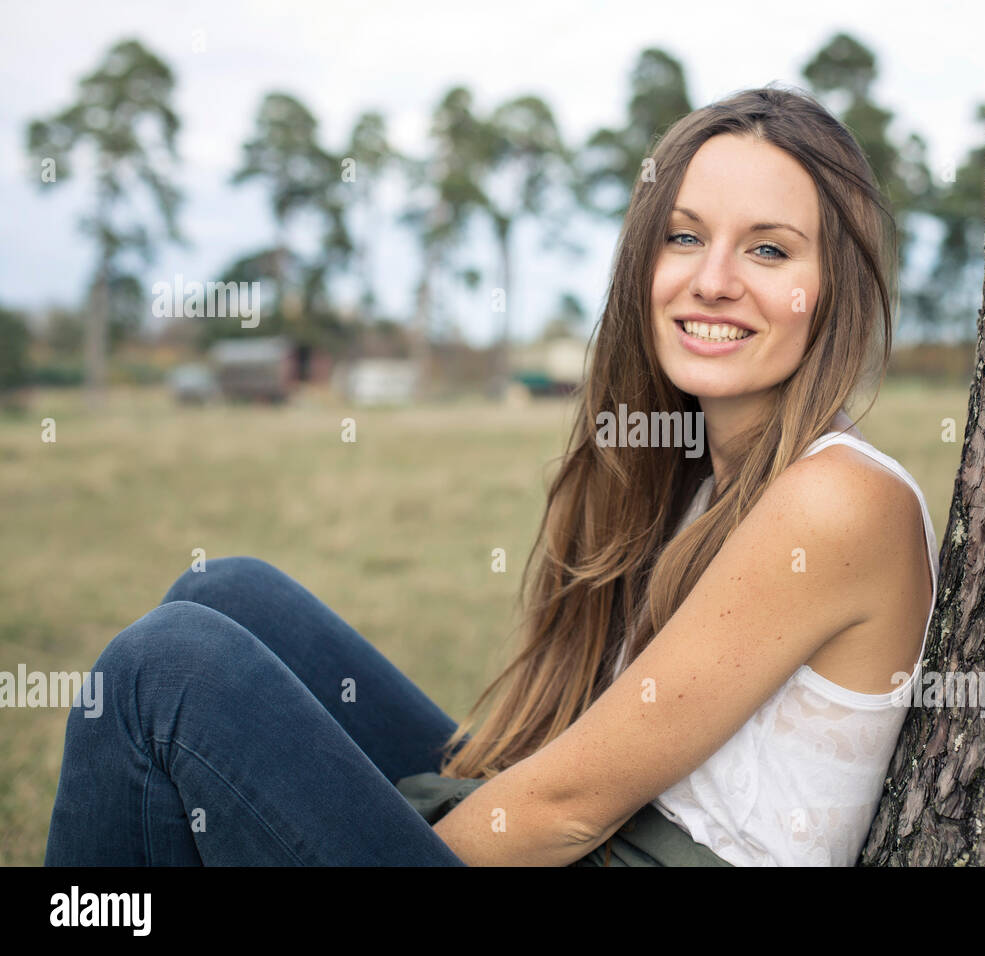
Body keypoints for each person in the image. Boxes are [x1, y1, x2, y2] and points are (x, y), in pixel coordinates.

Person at [44, 84, 936, 867]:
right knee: (228, 592)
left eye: (768, 251)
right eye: (684, 237)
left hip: (615, 843)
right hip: (599, 835)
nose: (711, 279)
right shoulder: (702, 474)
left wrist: (343, 840)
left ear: (835, 286)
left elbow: (565, 808)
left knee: (165, 671)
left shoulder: (839, 499)